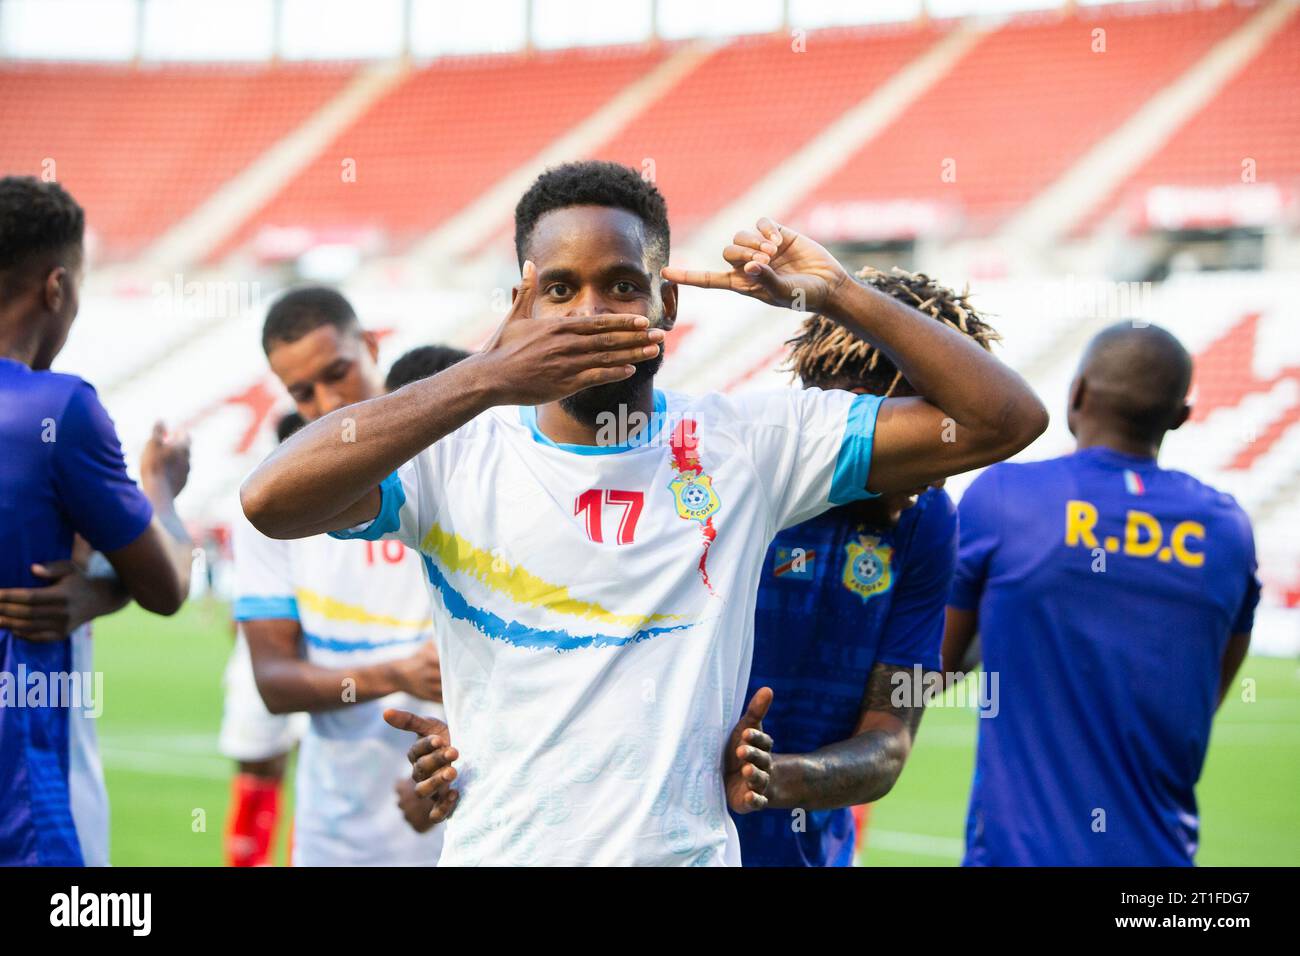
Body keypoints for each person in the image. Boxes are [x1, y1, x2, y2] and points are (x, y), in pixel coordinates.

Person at [242, 160, 1047, 866]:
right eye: (560, 289)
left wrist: (836, 292)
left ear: (665, 301)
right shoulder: (456, 456)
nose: (592, 311)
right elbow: (271, 502)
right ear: (522, 302)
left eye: (622, 284)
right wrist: (485, 374)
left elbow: (1003, 420)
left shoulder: (748, 444)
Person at [943, 321, 1260, 866]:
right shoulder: (1227, 529)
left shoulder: (1005, 496)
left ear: (1078, 393)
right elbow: (1206, 695)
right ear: (1181, 417)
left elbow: (930, 667)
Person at [732, 267, 998, 867]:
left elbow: (891, 739)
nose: (940, 471)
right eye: (929, 436)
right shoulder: (729, 476)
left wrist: (773, 779)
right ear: (849, 410)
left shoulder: (929, 520)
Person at [0, 176, 193, 866]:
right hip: (22, 805)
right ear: (57, 288)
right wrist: (162, 490)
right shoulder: (55, 409)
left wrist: (95, 589)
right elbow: (168, 588)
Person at [232, 289, 448, 866]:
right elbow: (274, 682)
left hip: (463, 816)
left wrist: (460, 765)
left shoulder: (448, 459)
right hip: (339, 835)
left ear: (371, 346)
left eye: (338, 372)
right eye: (303, 392)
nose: (328, 402)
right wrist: (398, 673)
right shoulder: (273, 507)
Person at [219, 410, 308, 867]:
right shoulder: (258, 498)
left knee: (317, 771)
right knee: (257, 765)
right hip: (261, 655)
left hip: (327, 659)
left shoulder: (350, 487)